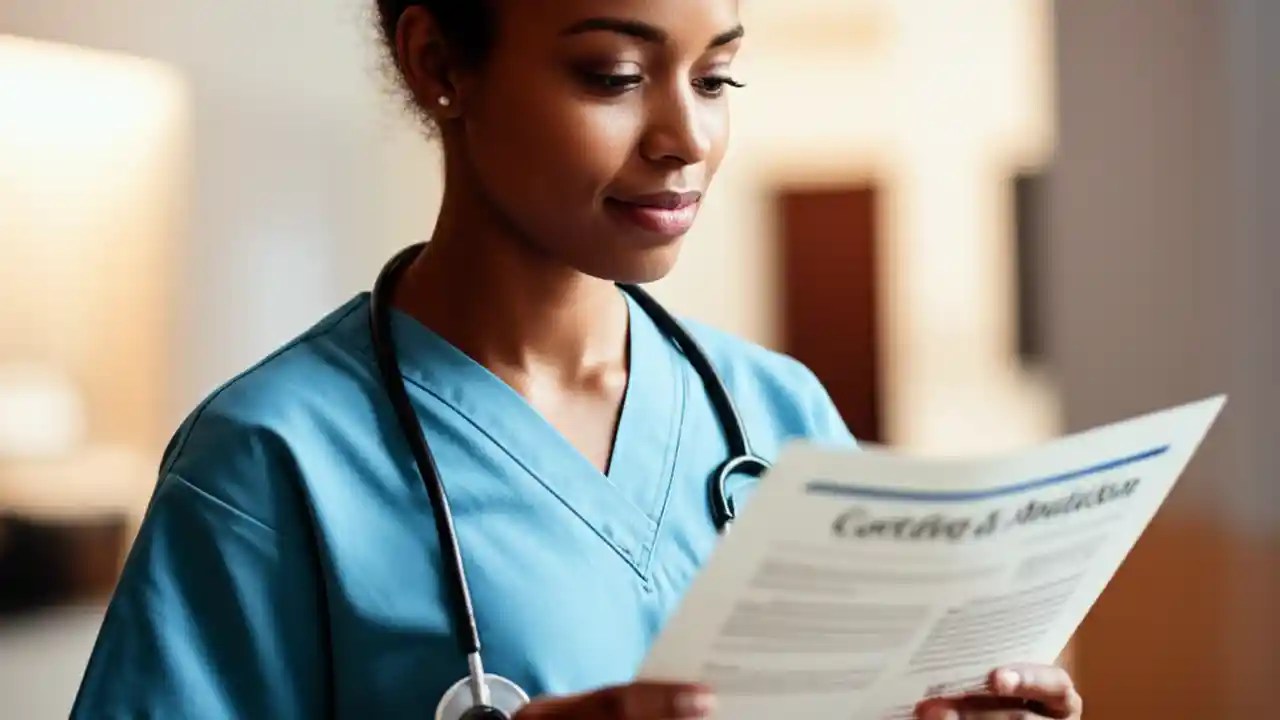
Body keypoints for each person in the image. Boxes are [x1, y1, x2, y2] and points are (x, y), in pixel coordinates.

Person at [72, 1, 1084, 719]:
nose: (685, 137)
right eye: (615, 76)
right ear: (438, 63)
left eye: (715, 76)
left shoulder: (777, 411)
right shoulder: (268, 459)